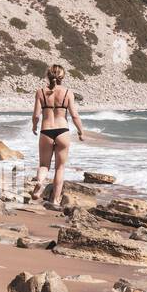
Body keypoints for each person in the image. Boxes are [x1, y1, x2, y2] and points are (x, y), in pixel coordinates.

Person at [30, 64, 85, 209]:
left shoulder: (40, 92)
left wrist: (34, 126)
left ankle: (40, 182)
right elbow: (74, 115)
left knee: (43, 165)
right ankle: (54, 201)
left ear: (48, 75)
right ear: (62, 77)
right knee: (60, 168)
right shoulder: (68, 93)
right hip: (62, 131)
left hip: (46, 130)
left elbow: (36, 115)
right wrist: (81, 131)